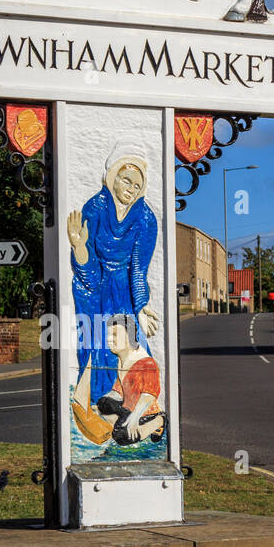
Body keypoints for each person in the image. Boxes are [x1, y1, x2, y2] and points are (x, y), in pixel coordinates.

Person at [67, 147, 159, 437]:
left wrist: (141, 304)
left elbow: (138, 268)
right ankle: (94, 406)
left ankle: (137, 411)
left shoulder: (146, 219)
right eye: (125, 180)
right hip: (93, 291)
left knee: (126, 344)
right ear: (111, 177)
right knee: (93, 342)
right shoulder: (94, 209)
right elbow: (89, 274)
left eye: (136, 184)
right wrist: (80, 247)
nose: (130, 189)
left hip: (124, 289)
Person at [96, 315, 166, 446]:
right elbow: (119, 391)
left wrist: (134, 419)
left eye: (115, 335)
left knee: (121, 436)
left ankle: (158, 421)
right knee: (103, 403)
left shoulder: (146, 363)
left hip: (144, 412)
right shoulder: (122, 361)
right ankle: (124, 419)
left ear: (129, 336)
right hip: (128, 408)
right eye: (109, 334)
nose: (109, 339)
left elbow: (148, 396)